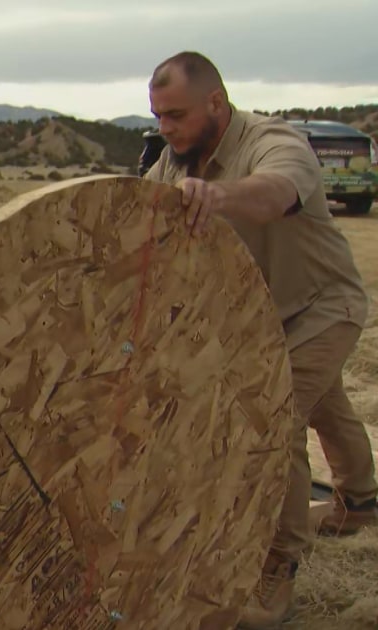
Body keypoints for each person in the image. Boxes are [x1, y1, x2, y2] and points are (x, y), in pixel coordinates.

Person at [143, 51, 376, 629]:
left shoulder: (274, 142)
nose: (165, 128)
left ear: (216, 102)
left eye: (176, 115)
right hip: (262, 318)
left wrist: (217, 196)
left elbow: (276, 193)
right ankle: (360, 501)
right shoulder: (176, 161)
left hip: (325, 307)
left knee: (275, 417)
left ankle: (278, 567)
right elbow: (138, 212)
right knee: (323, 402)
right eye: (158, 117)